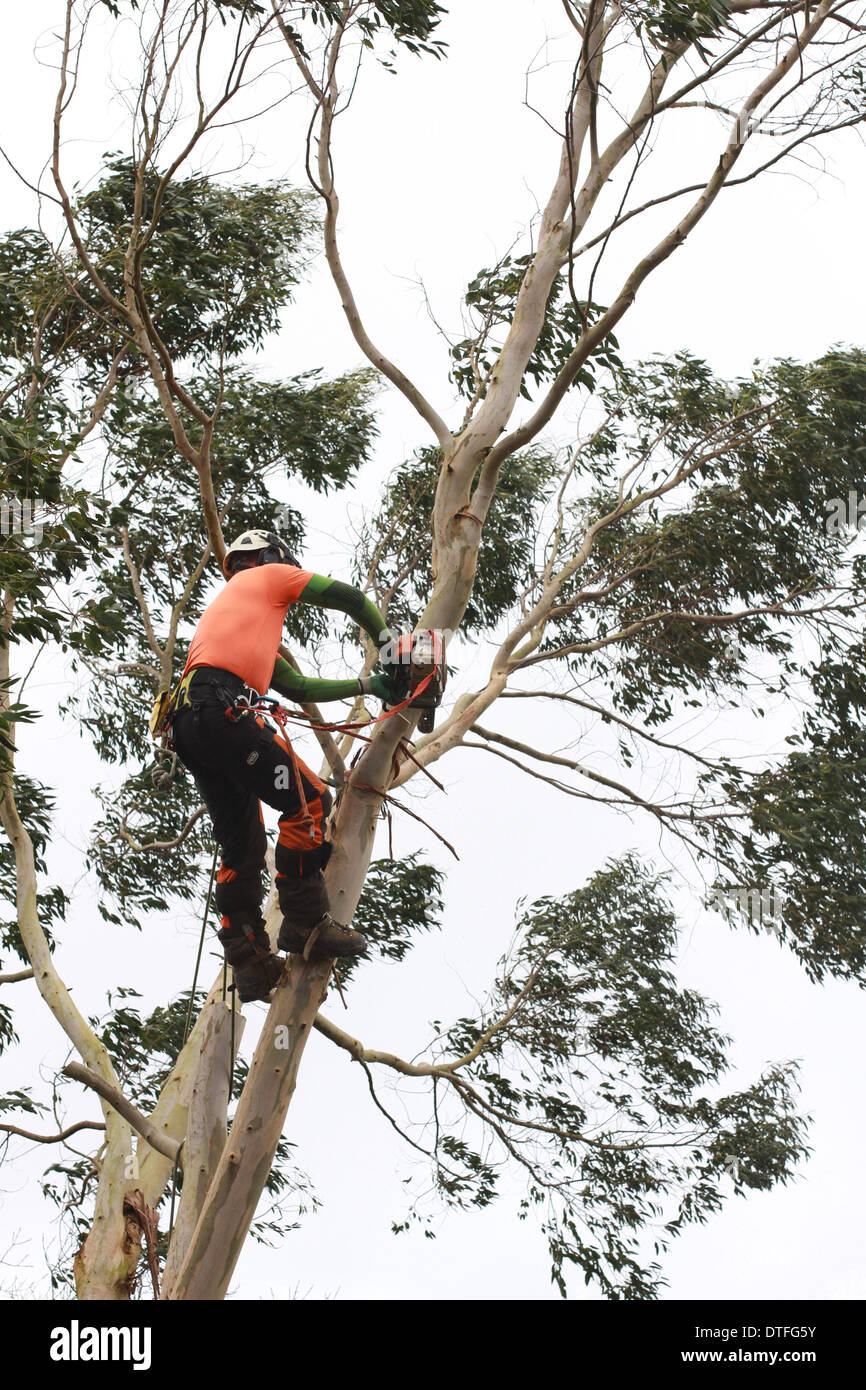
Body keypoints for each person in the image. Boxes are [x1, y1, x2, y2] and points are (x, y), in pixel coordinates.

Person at [168, 528, 395, 1003]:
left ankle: (250, 961)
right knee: (311, 801)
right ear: (269, 558)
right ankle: (306, 924)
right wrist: (390, 646)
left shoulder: (235, 613)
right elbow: (349, 596)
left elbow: (301, 689)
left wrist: (369, 685)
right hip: (220, 710)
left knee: (242, 846)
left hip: (191, 725)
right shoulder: (270, 576)